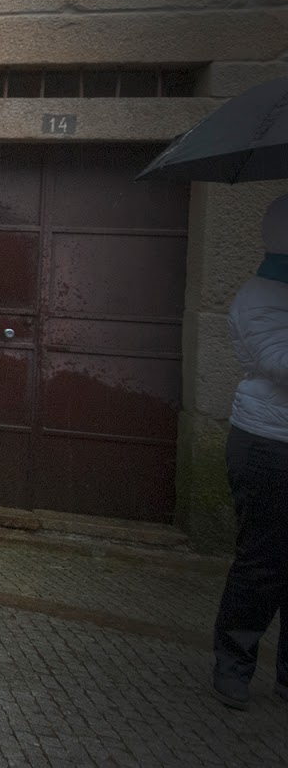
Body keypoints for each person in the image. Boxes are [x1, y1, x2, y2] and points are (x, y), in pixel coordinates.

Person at [211, 193, 288, 710]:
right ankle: (234, 664)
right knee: (262, 561)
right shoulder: (259, 296)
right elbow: (279, 363)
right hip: (267, 445)